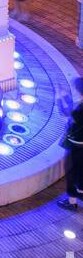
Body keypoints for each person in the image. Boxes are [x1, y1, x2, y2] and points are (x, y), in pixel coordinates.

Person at [57, 77, 83, 213]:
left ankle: (72, 202)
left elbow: (67, 113)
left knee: (71, 172)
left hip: (76, 146)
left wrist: (61, 97)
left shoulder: (80, 110)